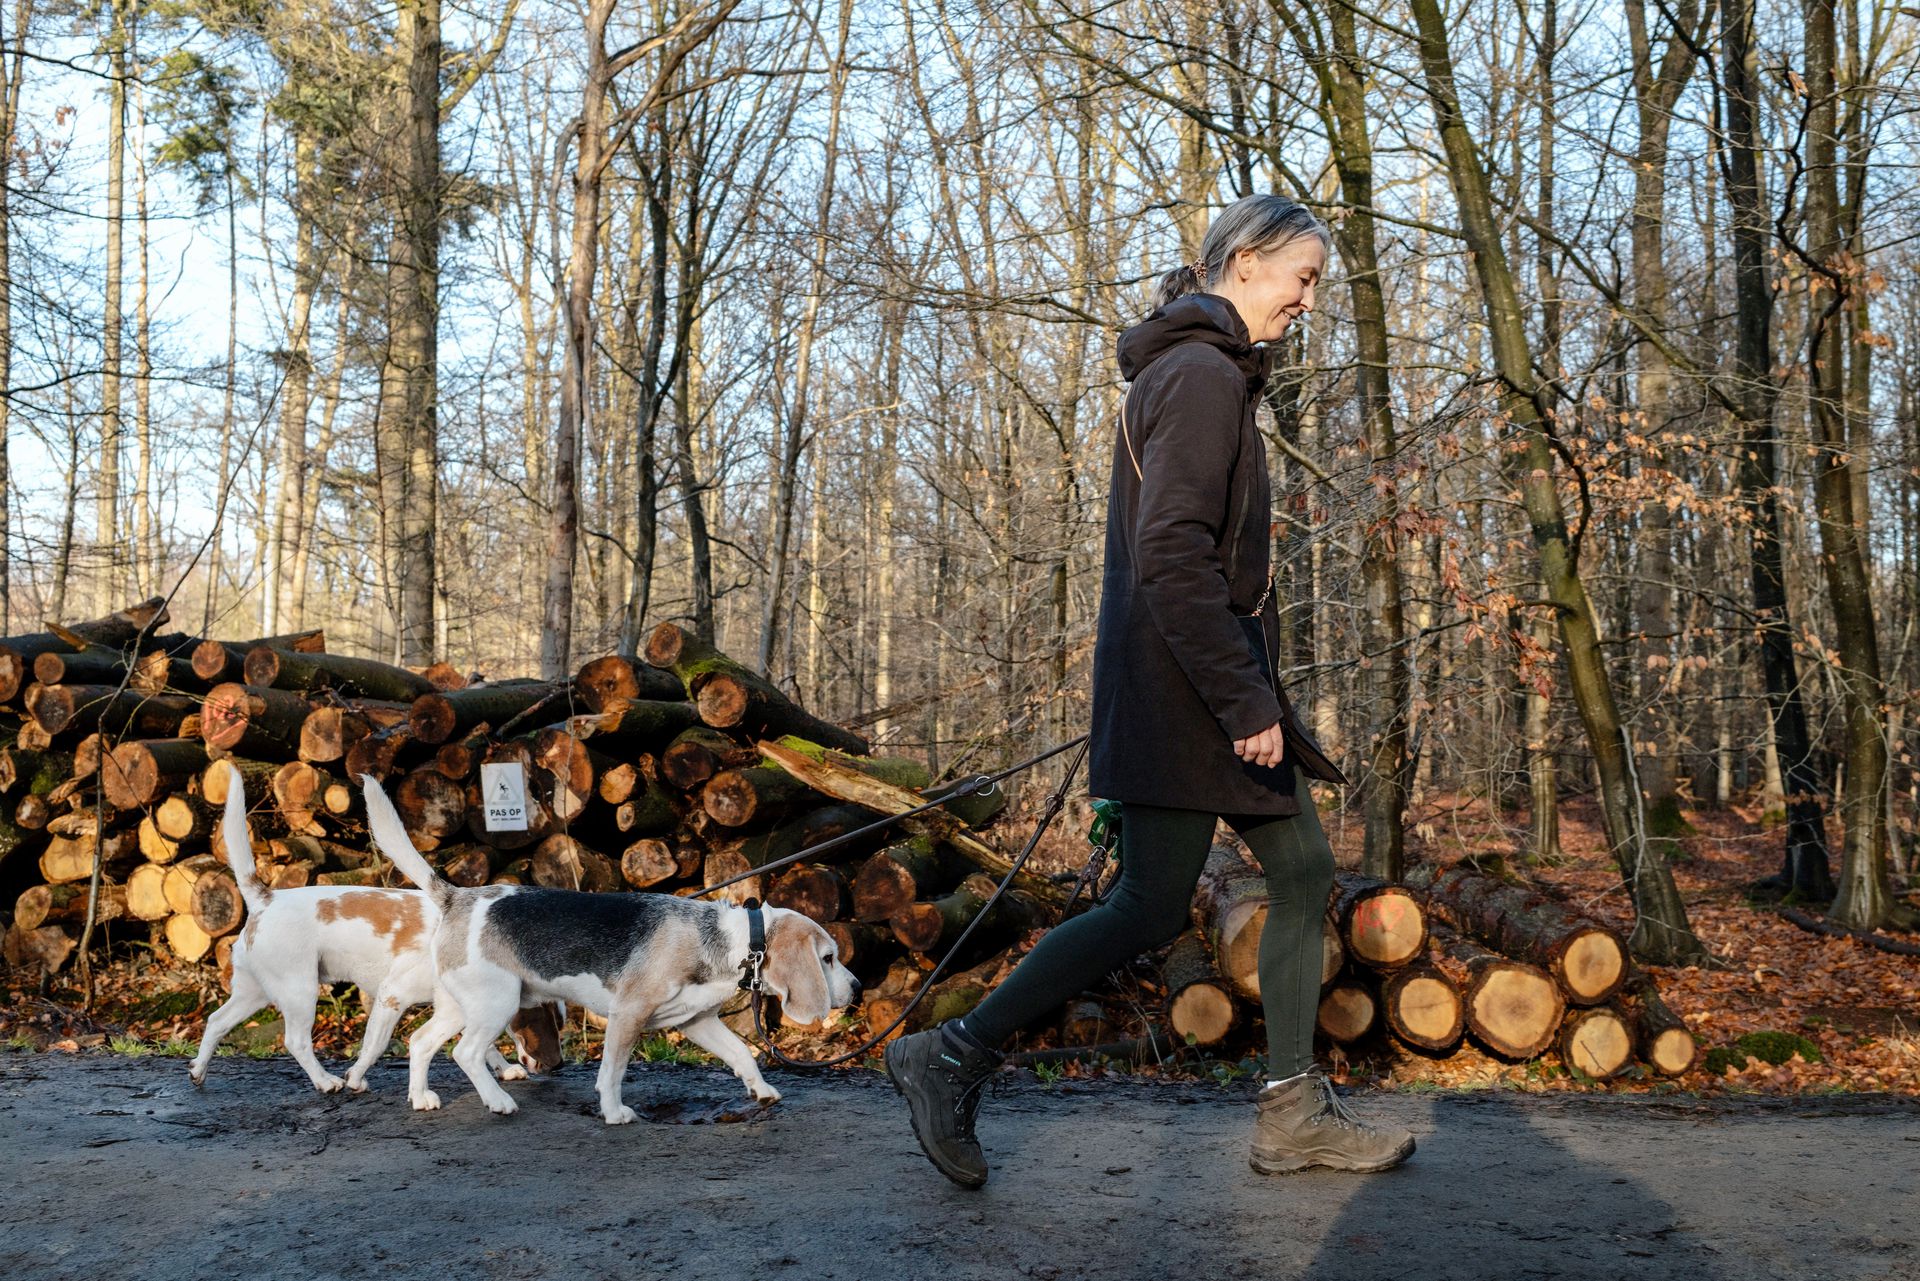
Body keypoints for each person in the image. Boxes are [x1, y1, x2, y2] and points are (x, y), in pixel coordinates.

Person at [884, 193, 1417, 1188]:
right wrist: (1244, 703)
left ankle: (1282, 1112)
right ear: (1248, 261)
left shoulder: (1190, 372)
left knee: (1230, 888)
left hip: (1179, 688)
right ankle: (951, 1053)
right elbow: (1172, 557)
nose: (1307, 301)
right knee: (1180, 900)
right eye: (1302, 279)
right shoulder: (1205, 377)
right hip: (1194, 698)